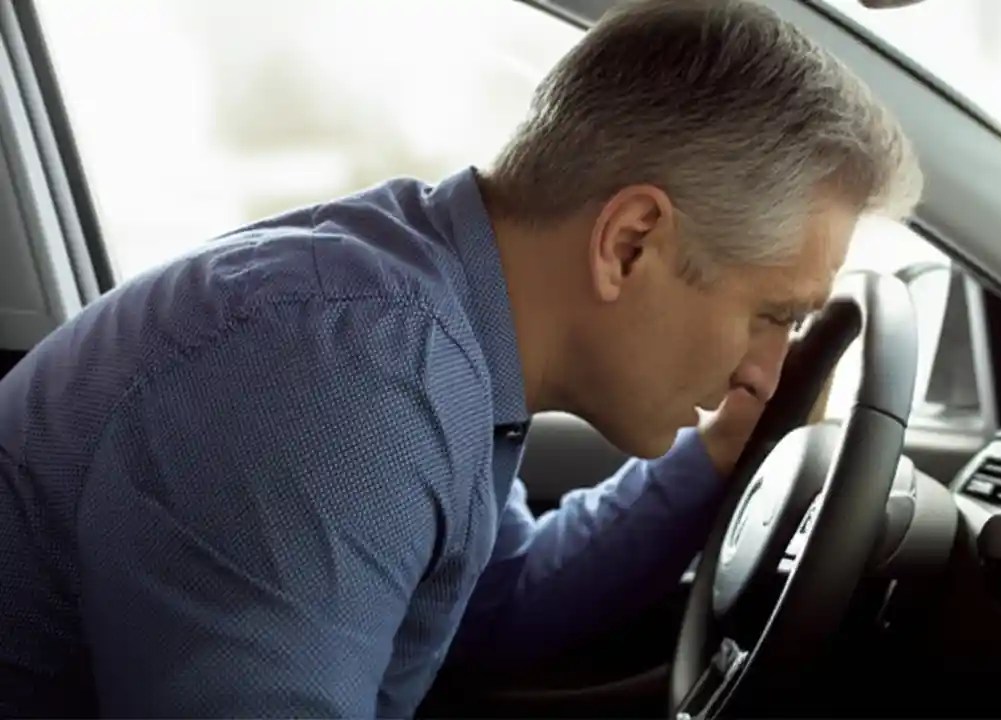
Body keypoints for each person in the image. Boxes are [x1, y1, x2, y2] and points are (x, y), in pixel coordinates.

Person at [0, 0, 920, 716]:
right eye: (771, 315)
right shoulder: (344, 379)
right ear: (630, 243)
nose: (767, 370)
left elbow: (489, 605)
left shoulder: (445, 339)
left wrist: (721, 455)